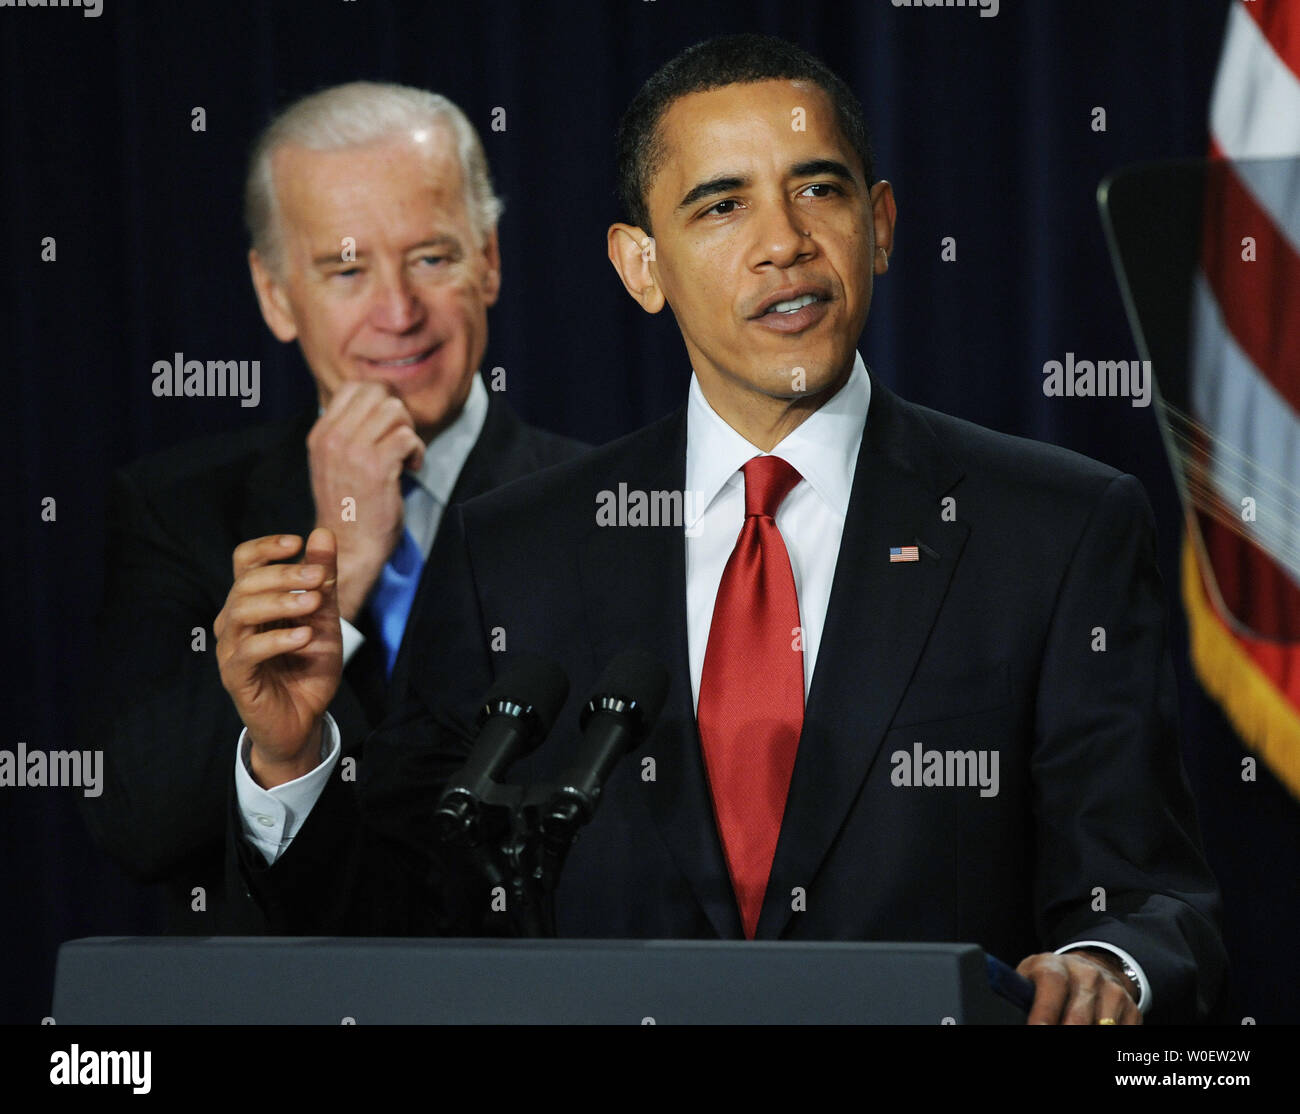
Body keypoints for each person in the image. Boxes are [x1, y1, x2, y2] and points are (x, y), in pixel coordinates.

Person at [217, 38, 1226, 1023]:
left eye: (819, 190)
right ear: (640, 266)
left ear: (879, 225)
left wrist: (1107, 967)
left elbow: (1146, 895)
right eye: (722, 203)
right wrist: (289, 758)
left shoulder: (1053, 527)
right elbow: (400, 923)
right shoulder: (513, 553)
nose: (783, 239)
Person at [82, 82, 585, 932]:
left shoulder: (603, 504)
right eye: (347, 269)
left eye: (431, 257)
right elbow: (140, 825)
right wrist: (342, 568)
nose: (398, 313)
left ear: (489, 261)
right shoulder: (179, 509)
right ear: (276, 294)